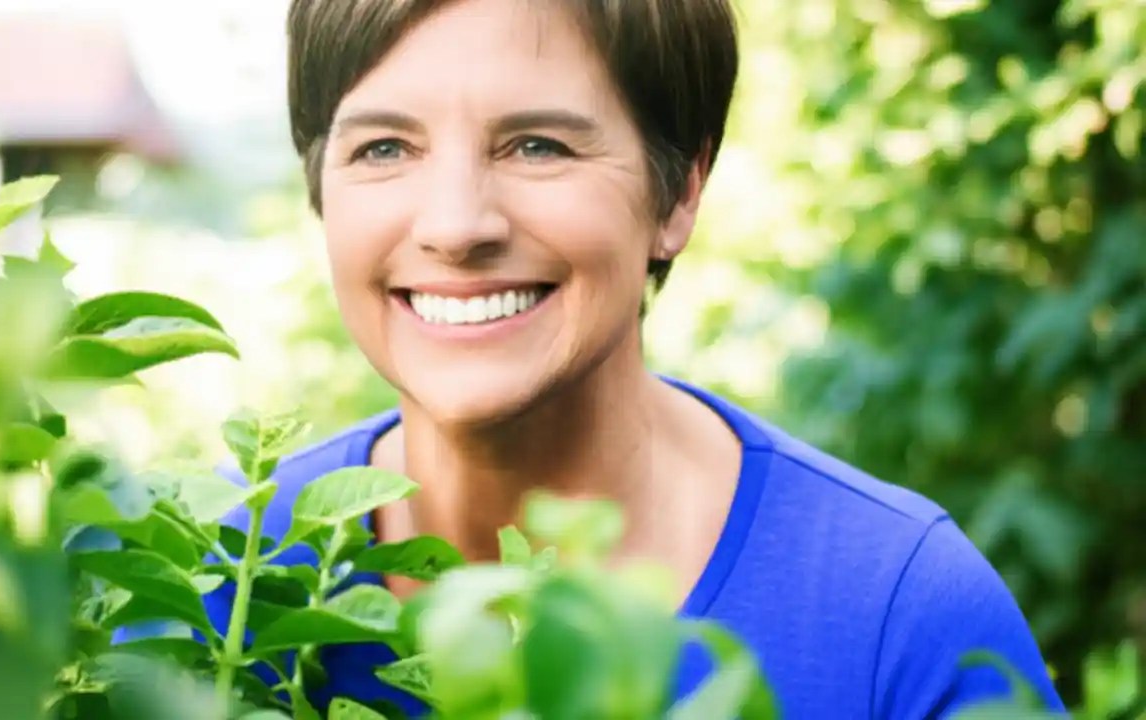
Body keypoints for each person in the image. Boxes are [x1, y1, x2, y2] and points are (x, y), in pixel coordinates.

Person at [206, 0, 1067, 716]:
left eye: (537, 145)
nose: (456, 225)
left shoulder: (895, 613)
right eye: (384, 148)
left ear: (679, 191)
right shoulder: (216, 587)